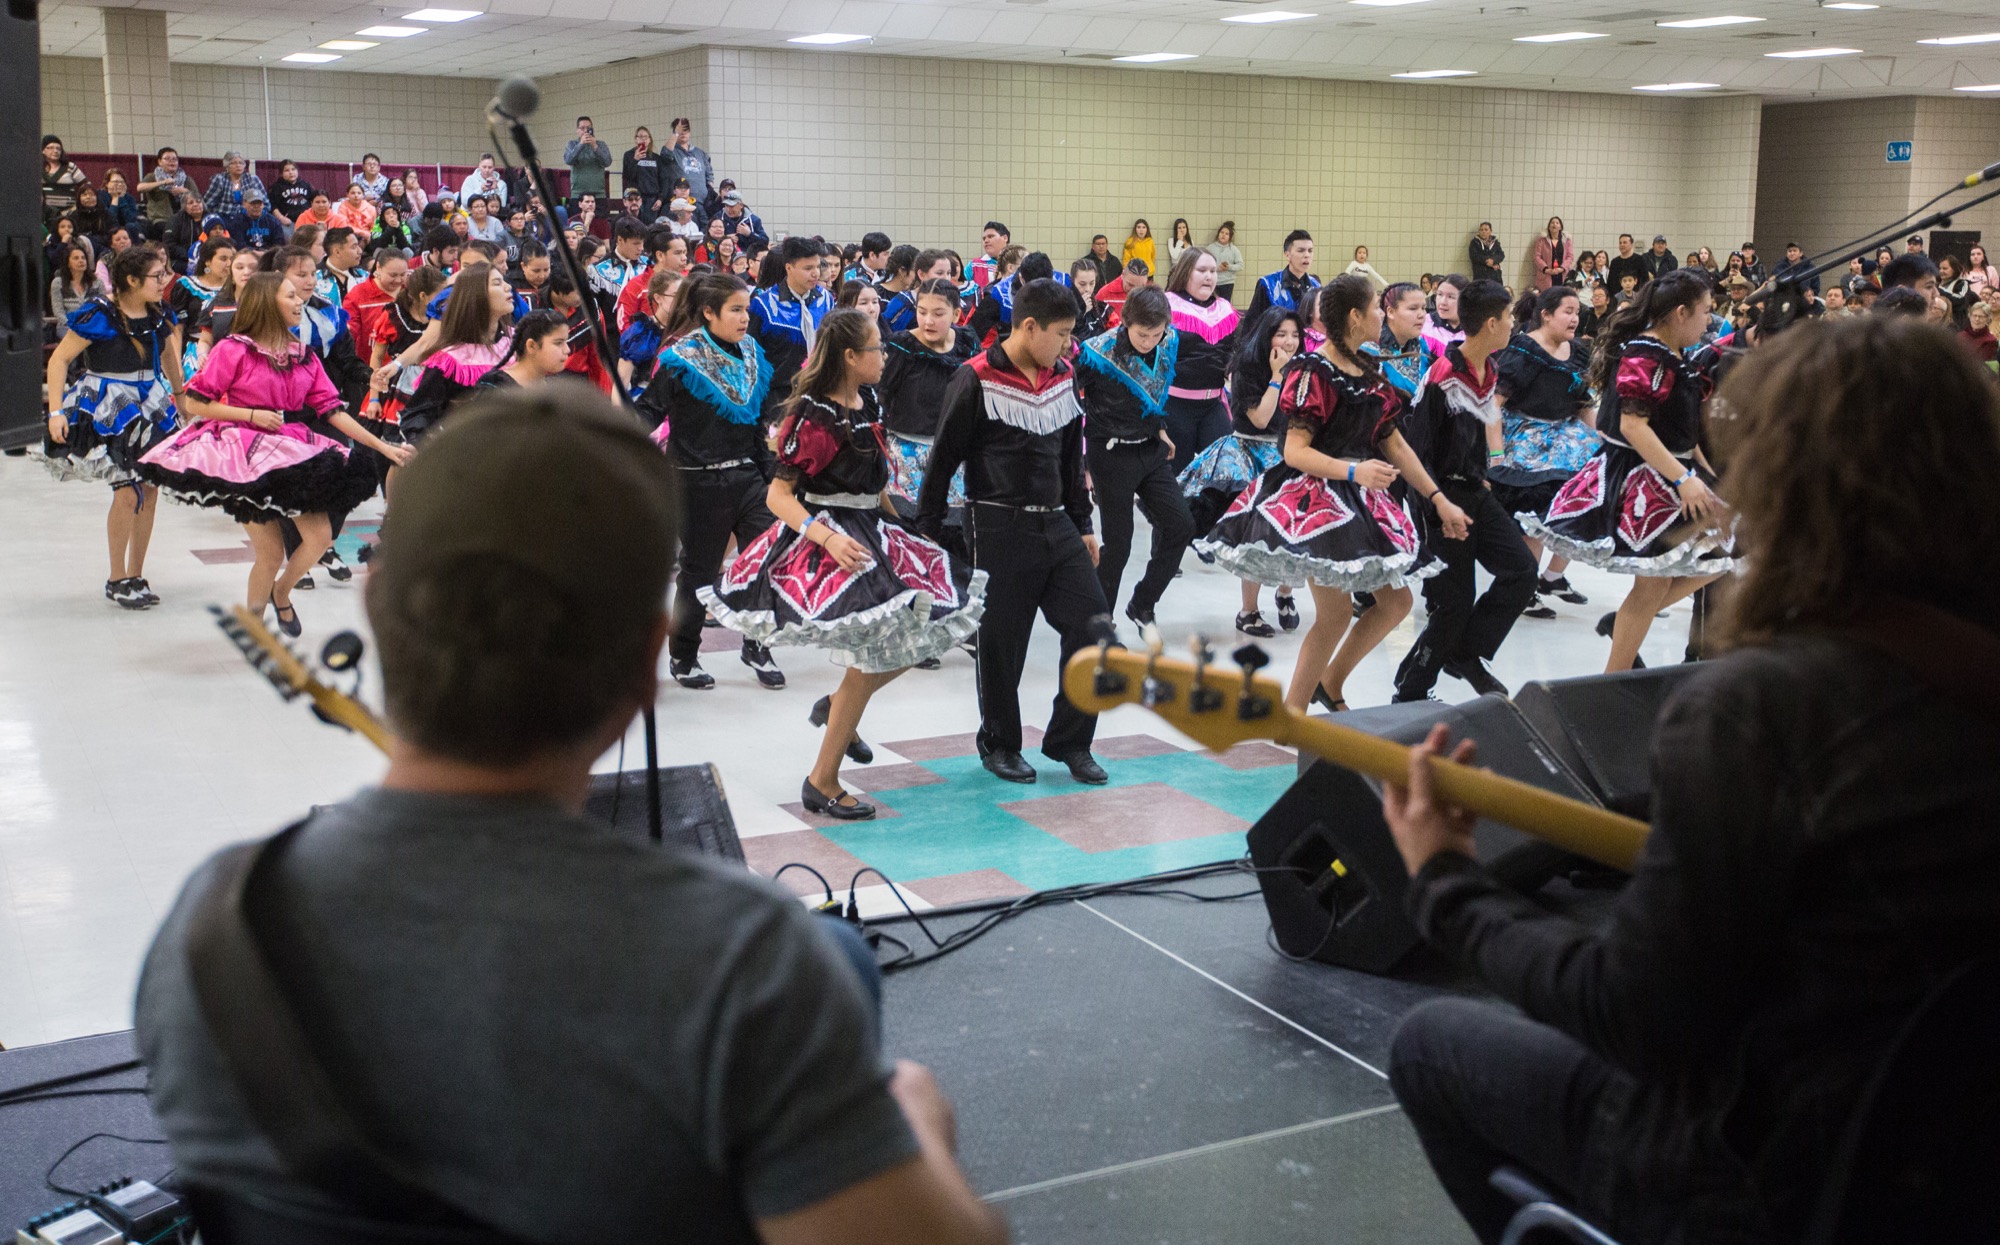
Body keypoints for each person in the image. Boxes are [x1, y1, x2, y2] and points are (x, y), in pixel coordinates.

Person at [136, 388, 1008, 1245]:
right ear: (641, 672)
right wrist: (910, 1115)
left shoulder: (210, 932)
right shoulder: (745, 969)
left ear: (375, 608)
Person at [1383, 312, 2000, 1245]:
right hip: (1954, 1164)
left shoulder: (1761, 711)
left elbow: (1642, 1020)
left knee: (1432, 1047)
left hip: (1774, 1174)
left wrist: (1447, 885)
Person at [704, 309, 986, 817]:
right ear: (851, 357)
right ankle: (822, 780)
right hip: (832, 541)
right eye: (877, 348)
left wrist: (899, 529)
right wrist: (826, 539)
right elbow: (779, 497)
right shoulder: (814, 415)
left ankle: (836, 709)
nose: (885, 355)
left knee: (926, 632)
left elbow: (875, 482)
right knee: (869, 662)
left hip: (874, 532)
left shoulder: (868, 399)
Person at [1198, 275, 1450, 713]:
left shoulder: (1370, 371)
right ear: (1355, 317)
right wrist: (1355, 470)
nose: (1381, 315)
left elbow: (1394, 441)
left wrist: (1437, 497)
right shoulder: (1312, 370)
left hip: (1360, 494)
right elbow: (1295, 452)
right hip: (1316, 501)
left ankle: (1329, 683)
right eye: (1376, 307)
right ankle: (1293, 714)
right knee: (1335, 614)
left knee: (1397, 601)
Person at [139, 270, 406, 637]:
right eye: (291, 296)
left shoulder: (303, 354)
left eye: (299, 295)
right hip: (242, 454)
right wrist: (249, 415)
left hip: (291, 449)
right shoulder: (233, 348)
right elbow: (197, 402)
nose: (300, 302)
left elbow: (333, 410)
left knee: (320, 537)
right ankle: (254, 627)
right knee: (270, 553)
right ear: (267, 303)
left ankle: (282, 592)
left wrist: (381, 446)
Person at [919, 278, 1107, 786]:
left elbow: (1072, 458)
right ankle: (1000, 744)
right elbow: (940, 464)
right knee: (1002, 644)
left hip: (1058, 523)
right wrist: (925, 538)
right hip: (997, 525)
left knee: (1096, 629)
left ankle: (1070, 740)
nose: (1070, 345)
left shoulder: (1063, 375)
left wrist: (1084, 522)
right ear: (1029, 327)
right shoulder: (975, 377)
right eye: (1063, 334)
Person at [1519, 270, 1731, 671]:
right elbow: (1633, 427)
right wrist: (1684, 480)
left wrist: (1706, 476)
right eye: (1705, 311)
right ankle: (1613, 675)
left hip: (1675, 470)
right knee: (1656, 582)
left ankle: (1624, 626)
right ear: (1681, 313)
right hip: (1645, 477)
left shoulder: (1677, 354)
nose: (1710, 320)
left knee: (1720, 559)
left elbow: (1687, 431)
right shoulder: (1645, 355)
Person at [638, 273, 790, 691]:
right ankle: (684, 655)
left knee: (765, 561)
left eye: (746, 309)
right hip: (696, 481)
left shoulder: (753, 354)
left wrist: (769, 477)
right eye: (736, 310)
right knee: (699, 573)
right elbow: (650, 409)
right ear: (708, 313)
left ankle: (758, 643)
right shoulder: (680, 359)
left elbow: (758, 423)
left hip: (748, 477)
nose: (745, 318)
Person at [1390, 280, 1536, 703]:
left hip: (1476, 492)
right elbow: (1416, 451)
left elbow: (1481, 428)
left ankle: (1465, 654)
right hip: (1439, 497)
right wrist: (1436, 505)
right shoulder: (1442, 374)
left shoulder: (1489, 370)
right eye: (1509, 318)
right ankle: (1412, 689)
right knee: (1454, 603)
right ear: (1491, 324)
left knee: (1522, 571)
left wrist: (1488, 468)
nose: (1513, 325)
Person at [41, 248, 185, 609]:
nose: (164, 280)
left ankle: (136, 574)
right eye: (156, 275)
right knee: (126, 493)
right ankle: (116, 577)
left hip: (150, 400)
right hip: (109, 404)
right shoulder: (99, 314)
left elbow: (168, 355)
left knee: (149, 490)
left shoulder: (158, 313)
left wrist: (180, 398)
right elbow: (59, 359)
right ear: (132, 281)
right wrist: (56, 410)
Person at [1180, 307, 1304, 637]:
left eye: (1295, 335)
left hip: (1290, 454)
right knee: (1258, 536)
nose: (1290, 342)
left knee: (1293, 530)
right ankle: (1248, 610)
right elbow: (1262, 419)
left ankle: (1285, 592)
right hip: (1252, 454)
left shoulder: (1305, 369)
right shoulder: (1246, 369)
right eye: (1282, 334)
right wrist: (1277, 377)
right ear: (1267, 336)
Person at [1075, 285, 1195, 630]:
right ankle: (1099, 623)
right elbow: (1069, 402)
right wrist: (1080, 461)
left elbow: (1155, 391)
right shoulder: (1097, 352)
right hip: (1109, 453)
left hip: (1150, 448)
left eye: (1156, 334)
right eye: (1143, 334)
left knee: (1181, 526)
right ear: (1125, 322)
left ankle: (1143, 603)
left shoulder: (1169, 341)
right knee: (1119, 545)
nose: (1150, 341)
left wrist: (1160, 428)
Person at [1489, 287, 1599, 620]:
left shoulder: (1578, 352)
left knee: (1590, 491)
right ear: (1546, 314)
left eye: (1577, 311)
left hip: (1564, 434)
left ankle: (1552, 576)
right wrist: (1495, 455)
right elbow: (1493, 406)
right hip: (1524, 436)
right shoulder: (1523, 351)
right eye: (1568, 311)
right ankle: (1524, 586)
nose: (1575, 318)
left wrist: (1602, 440)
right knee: (1535, 511)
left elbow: (1582, 404)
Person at [880, 278, 977, 533]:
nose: (928, 321)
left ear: (956, 314)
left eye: (938, 314)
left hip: (953, 453)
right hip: (905, 453)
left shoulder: (967, 343)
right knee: (908, 531)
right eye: (922, 312)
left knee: (953, 532)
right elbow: (882, 395)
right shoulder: (901, 345)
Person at [391, 264, 517, 447]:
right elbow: (418, 415)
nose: (508, 287)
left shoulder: (517, 342)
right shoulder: (449, 360)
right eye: (497, 283)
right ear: (476, 296)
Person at [1163, 247, 1242, 471]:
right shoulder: (1166, 305)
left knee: (1226, 469)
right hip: (1176, 405)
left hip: (1212, 404)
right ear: (1186, 272)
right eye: (1202, 270)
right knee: (1177, 474)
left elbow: (1233, 351)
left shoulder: (1224, 309)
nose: (1209, 276)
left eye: (1213, 271)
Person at [749, 236, 834, 422]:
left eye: (818, 266)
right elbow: (751, 358)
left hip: (819, 394)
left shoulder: (826, 300)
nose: (816, 274)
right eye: (808, 268)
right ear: (789, 268)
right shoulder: (764, 305)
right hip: (778, 400)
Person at [1365, 281, 1435, 402]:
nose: (1422, 314)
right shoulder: (1369, 351)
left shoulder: (1421, 344)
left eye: (1423, 308)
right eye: (1413, 308)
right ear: (1390, 312)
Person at [1244, 229, 1319, 326]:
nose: (1307, 255)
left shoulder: (1316, 287)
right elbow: (1252, 324)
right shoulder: (1267, 284)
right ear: (1287, 255)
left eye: (1310, 251)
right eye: (1301, 250)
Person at [563, 116, 613, 209]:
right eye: (582, 128)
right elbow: (569, 160)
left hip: (598, 195)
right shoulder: (572, 144)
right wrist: (581, 144)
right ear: (577, 130)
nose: (586, 131)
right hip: (578, 195)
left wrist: (595, 146)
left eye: (588, 128)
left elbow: (607, 162)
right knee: (578, 223)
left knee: (599, 223)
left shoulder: (600, 144)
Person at [40, 135, 89, 228]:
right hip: (45, 215)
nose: (55, 151)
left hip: (68, 214)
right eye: (50, 148)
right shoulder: (37, 167)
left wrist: (76, 206)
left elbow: (86, 187)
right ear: (43, 150)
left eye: (58, 148)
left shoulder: (70, 167)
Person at [666, 117, 716, 208]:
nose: (683, 133)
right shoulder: (672, 151)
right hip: (680, 204)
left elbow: (709, 174)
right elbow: (665, 154)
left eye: (685, 130)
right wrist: (675, 134)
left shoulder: (700, 153)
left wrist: (709, 191)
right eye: (680, 130)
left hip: (702, 203)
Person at [49, 241, 102, 323]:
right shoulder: (58, 283)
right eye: (76, 258)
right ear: (68, 263)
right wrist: (74, 326)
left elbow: (102, 309)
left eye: (83, 258)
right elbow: (58, 312)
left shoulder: (97, 283)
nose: (81, 261)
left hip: (91, 327)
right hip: (67, 326)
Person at [138, 147, 192, 227]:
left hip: (183, 218)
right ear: (159, 162)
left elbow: (197, 196)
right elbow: (140, 188)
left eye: (174, 159)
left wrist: (184, 191)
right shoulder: (152, 176)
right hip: (160, 219)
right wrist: (162, 182)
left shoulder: (186, 178)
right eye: (167, 159)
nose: (171, 161)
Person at [1531, 217, 1573, 292]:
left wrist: (1562, 268)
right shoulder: (1541, 240)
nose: (1554, 225)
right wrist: (1546, 269)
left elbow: (1570, 256)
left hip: (1561, 274)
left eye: (1557, 223)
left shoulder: (1566, 240)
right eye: (1552, 223)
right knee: (1547, 297)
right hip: (1546, 275)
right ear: (1549, 226)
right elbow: (1537, 256)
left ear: (1560, 227)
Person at [1207, 221, 1243, 305]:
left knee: (1224, 306)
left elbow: (1240, 266)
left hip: (1228, 283)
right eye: (1222, 232)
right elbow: (1205, 266)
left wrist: (1228, 267)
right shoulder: (1210, 248)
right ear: (1218, 234)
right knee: (1212, 305)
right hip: (1213, 282)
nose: (1223, 235)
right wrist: (1217, 268)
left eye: (1226, 234)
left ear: (1230, 237)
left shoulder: (1234, 249)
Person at [970, 221, 1010, 291]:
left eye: (990, 236)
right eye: (984, 238)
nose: (986, 240)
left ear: (1005, 238)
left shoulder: (1018, 262)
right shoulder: (974, 265)